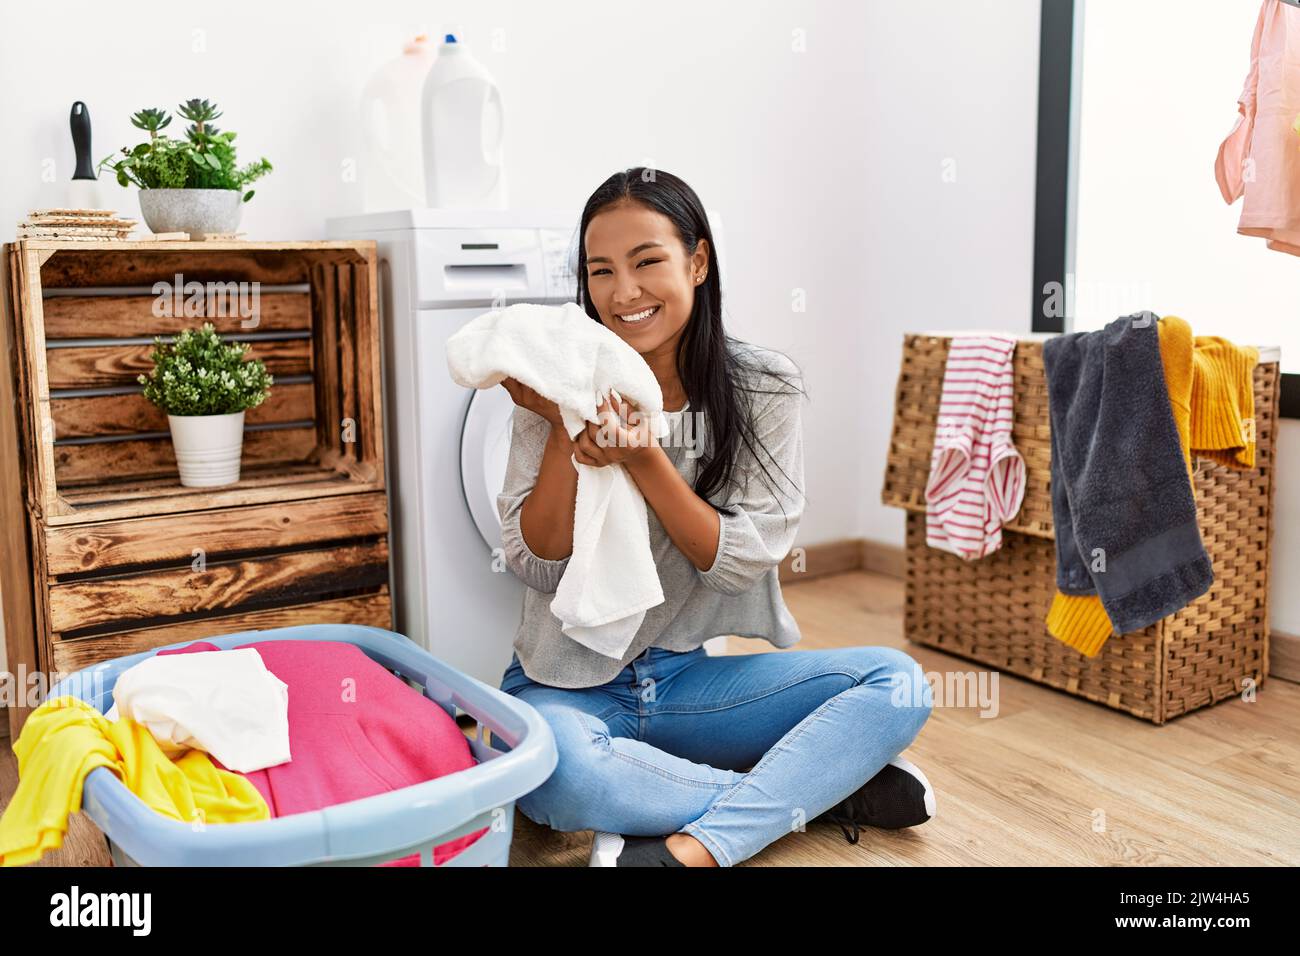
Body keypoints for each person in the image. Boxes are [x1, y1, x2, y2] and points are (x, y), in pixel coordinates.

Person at [495, 167, 934, 867]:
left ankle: (695, 841)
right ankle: (812, 794)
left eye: (647, 262)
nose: (623, 292)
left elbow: (739, 560)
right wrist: (558, 425)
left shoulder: (762, 385)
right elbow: (536, 561)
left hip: (689, 686)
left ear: (697, 262)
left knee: (900, 683)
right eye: (600, 271)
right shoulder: (559, 380)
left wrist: (644, 460)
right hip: (565, 687)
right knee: (557, 777)